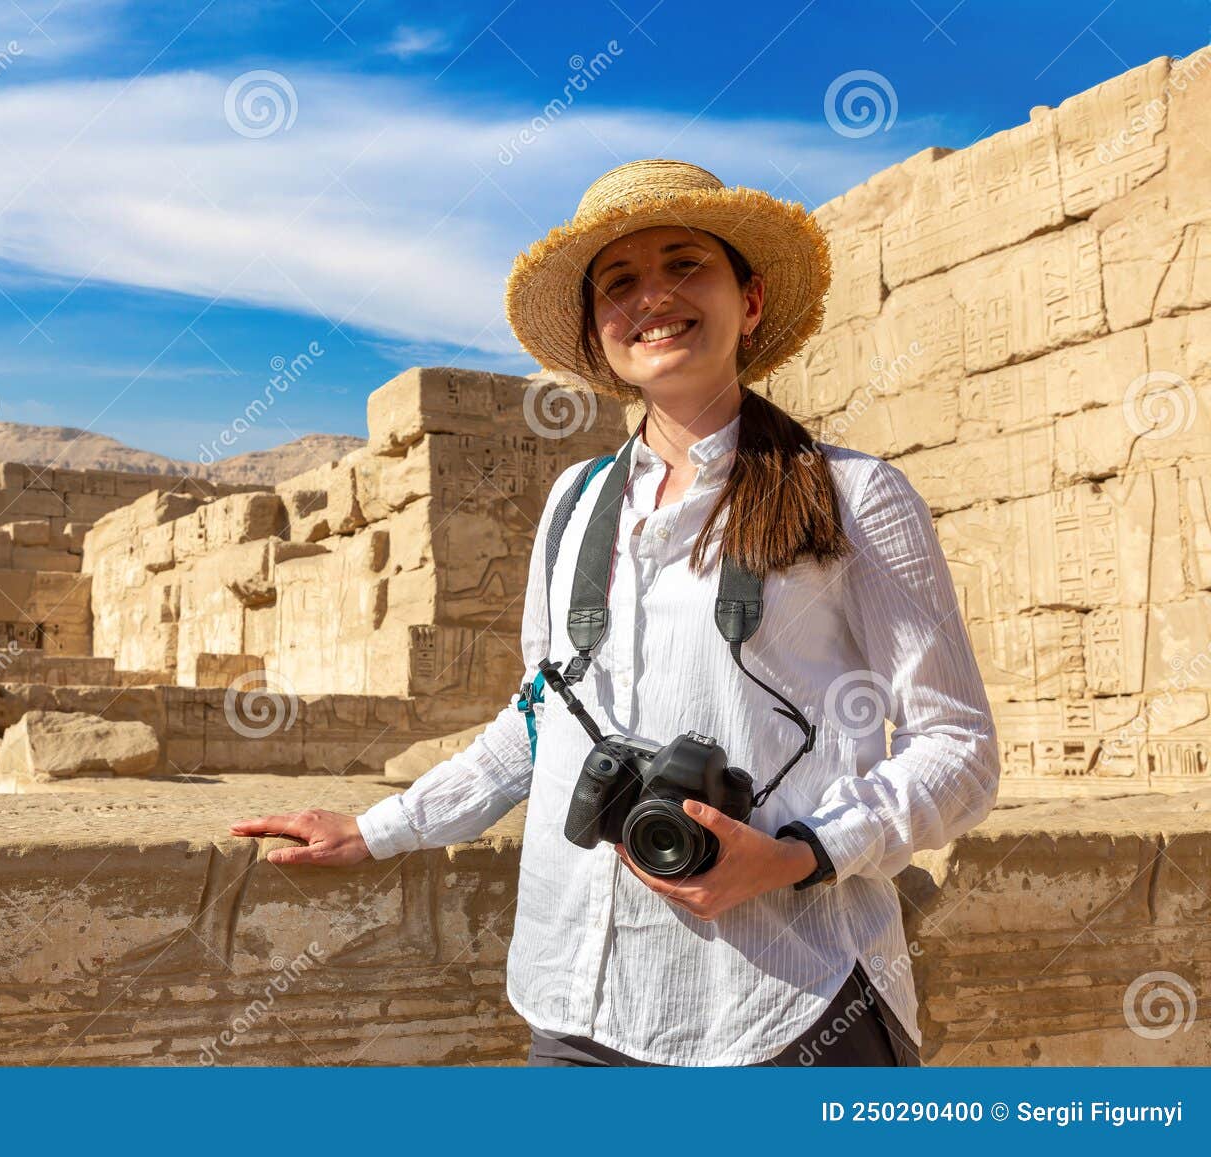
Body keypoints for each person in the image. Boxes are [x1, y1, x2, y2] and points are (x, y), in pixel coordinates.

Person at [230, 158, 1000, 1067]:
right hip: (576, 1007)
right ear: (599, 334)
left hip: (785, 1006)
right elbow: (542, 719)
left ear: (749, 301)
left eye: (685, 267)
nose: (653, 300)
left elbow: (959, 748)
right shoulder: (573, 503)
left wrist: (798, 853)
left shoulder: (854, 496)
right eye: (620, 283)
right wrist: (376, 828)